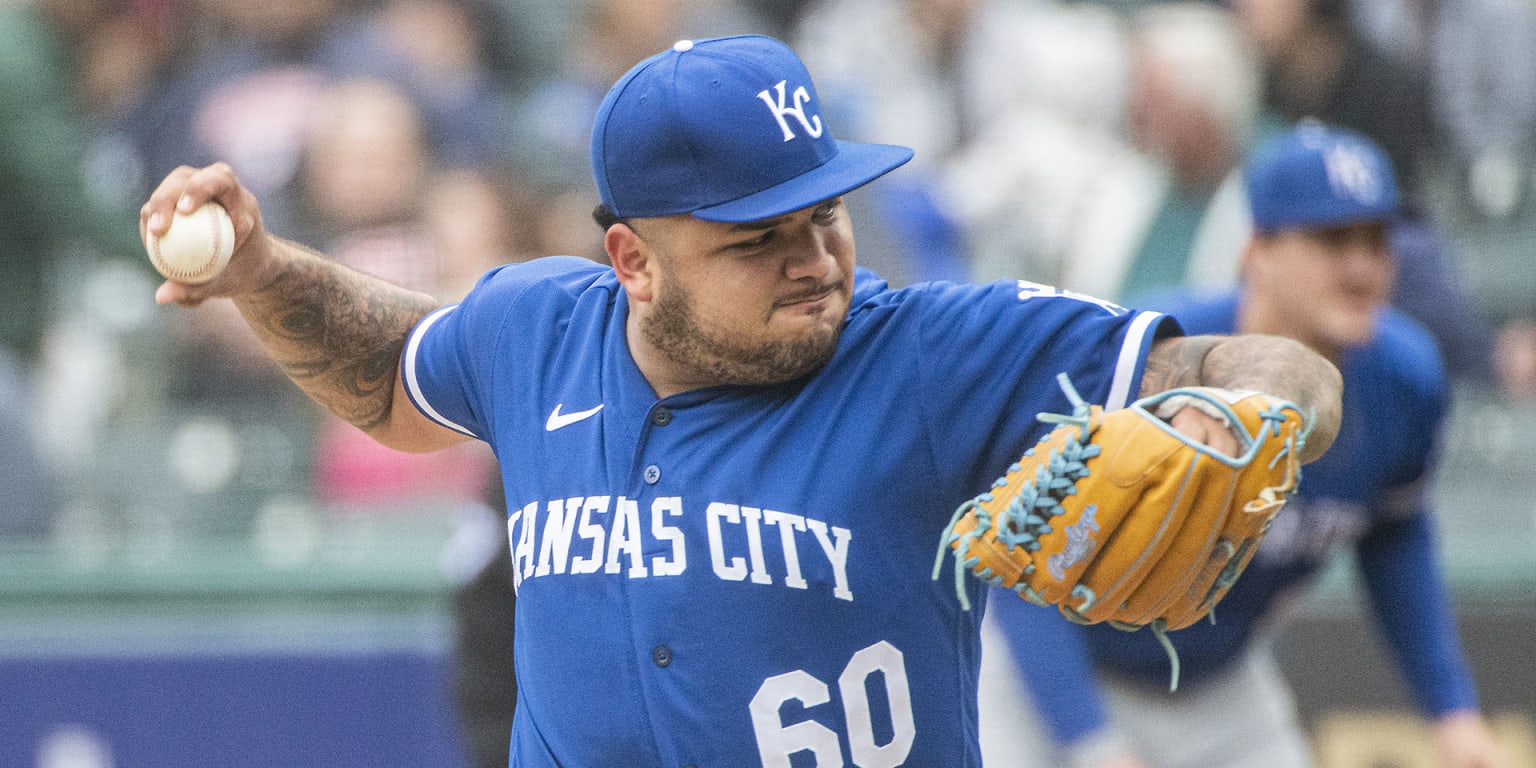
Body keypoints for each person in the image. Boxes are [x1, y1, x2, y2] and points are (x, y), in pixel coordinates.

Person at [141, 34, 1343, 766]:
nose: (816, 255)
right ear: (633, 263)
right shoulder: (536, 332)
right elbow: (394, 370)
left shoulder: (931, 353)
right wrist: (258, 270)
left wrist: (1225, 418)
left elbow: (1275, 366)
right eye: (758, 239)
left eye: (827, 211)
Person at [980, 121, 1508, 768]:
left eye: (1377, 239)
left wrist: (1451, 709)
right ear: (1256, 251)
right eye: (1332, 238)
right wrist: (1091, 742)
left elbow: (1393, 535)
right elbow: (1024, 574)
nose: (1363, 265)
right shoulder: (1153, 357)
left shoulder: (1406, 376)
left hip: (1220, 688)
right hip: (1058, 687)